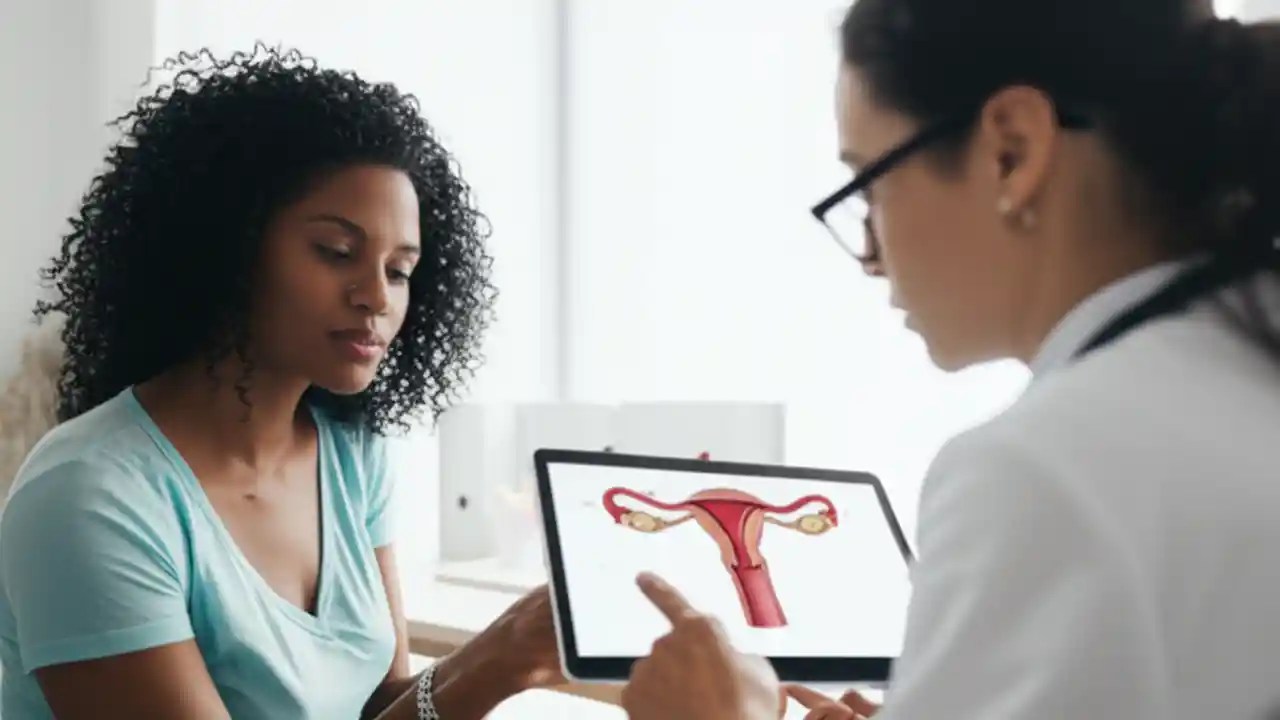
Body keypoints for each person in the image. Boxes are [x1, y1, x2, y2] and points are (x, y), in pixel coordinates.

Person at [621, 0, 1280, 718]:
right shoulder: (1243, 367)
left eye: (870, 184)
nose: (870, 256)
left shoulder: (1046, 469)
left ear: (1012, 152)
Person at [0, 46, 562, 719]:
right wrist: (488, 663)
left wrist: (507, 659)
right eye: (337, 252)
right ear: (226, 244)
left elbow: (382, 710)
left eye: (399, 270)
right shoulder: (90, 497)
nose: (376, 296)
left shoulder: (351, 454)